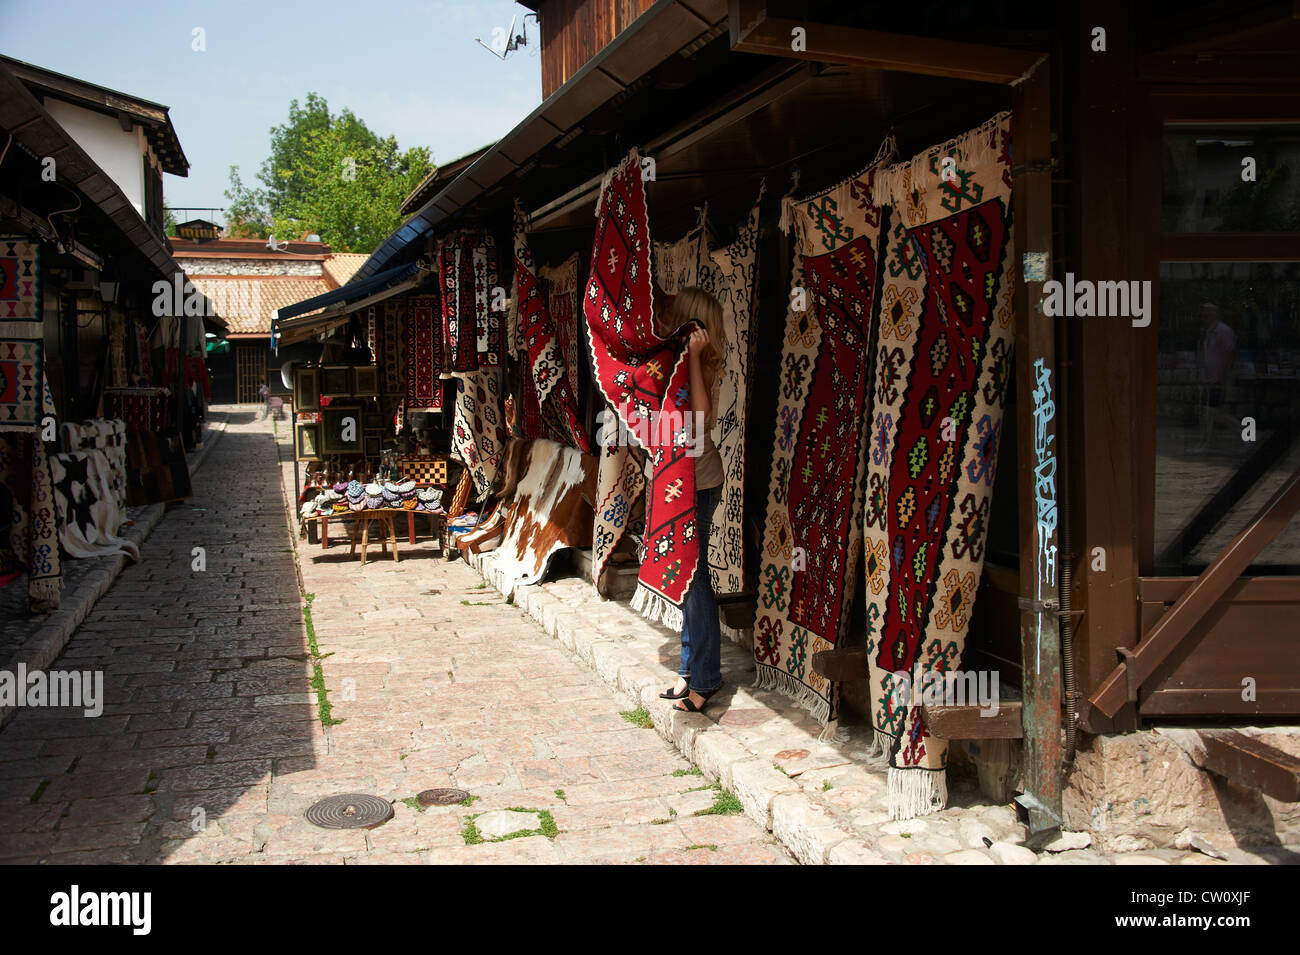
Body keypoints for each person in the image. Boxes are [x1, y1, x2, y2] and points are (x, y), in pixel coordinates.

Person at [656, 287, 726, 714]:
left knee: (696, 580)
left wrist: (696, 358)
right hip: (680, 481)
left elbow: (699, 421)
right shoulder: (682, 363)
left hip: (698, 481)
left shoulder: (703, 365)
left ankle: (705, 678)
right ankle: (690, 671)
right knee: (686, 578)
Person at [1196, 302, 1236, 449]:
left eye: (1206, 315)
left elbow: (1229, 353)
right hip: (1210, 378)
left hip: (1219, 378)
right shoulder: (1209, 332)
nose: (1203, 318)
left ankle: (1247, 437)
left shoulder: (1223, 331)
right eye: (1203, 315)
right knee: (1211, 413)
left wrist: (1221, 376)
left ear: (1214, 315)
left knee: (1214, 413)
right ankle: (1207, 443)